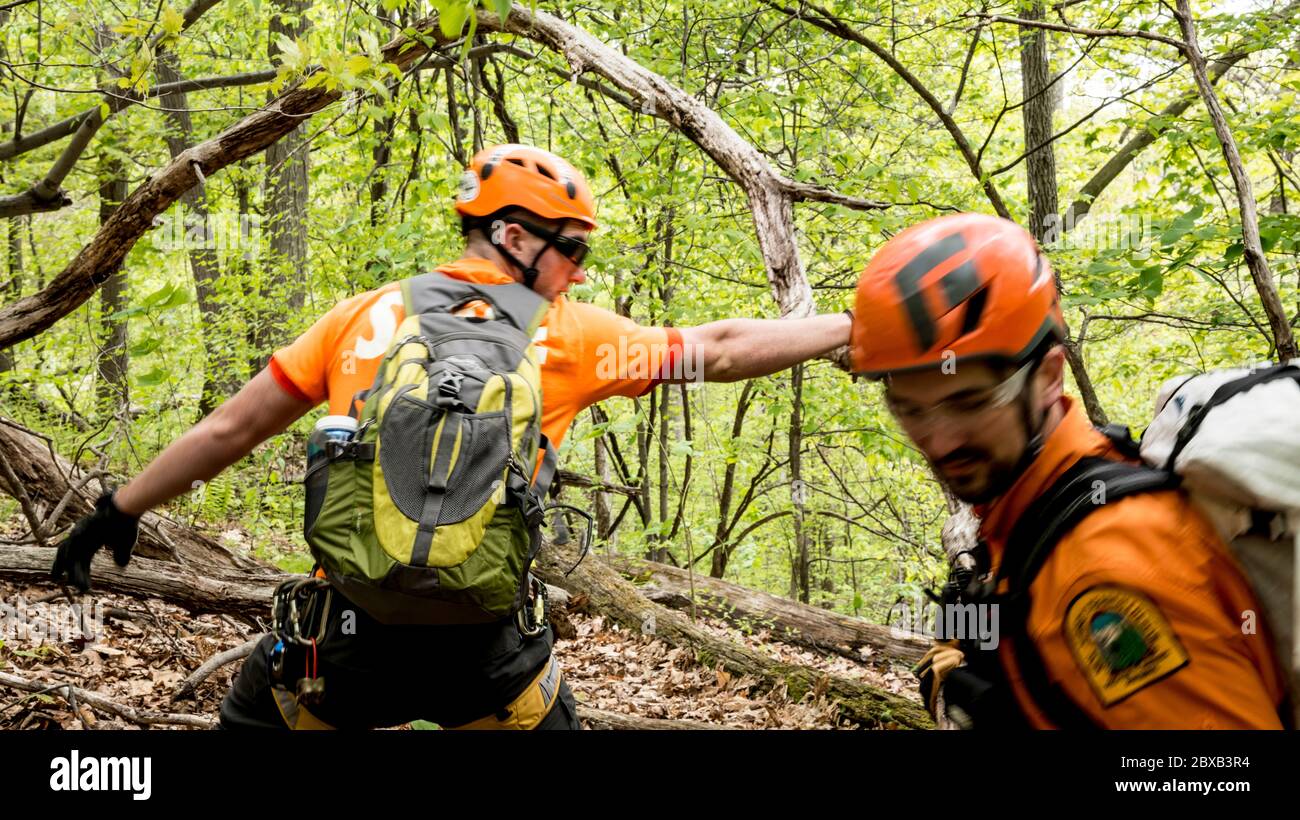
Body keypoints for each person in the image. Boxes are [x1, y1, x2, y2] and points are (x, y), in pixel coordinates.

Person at [50, 143, 854, 729]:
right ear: (513, 236)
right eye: (570, 249)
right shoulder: (567, 336)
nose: (578, 270)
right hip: (487, 655)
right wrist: (847, 327)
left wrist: (119, 507)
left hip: (346, 643)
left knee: (255, 715)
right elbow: (715, 350)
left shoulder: (365, 318)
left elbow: (234, 427)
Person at [850, 212, 1288, 729]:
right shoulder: (1035, 500)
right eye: (911, 409)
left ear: (1049, 376)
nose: (939, 441)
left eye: (970, 402)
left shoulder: (1106, 573)